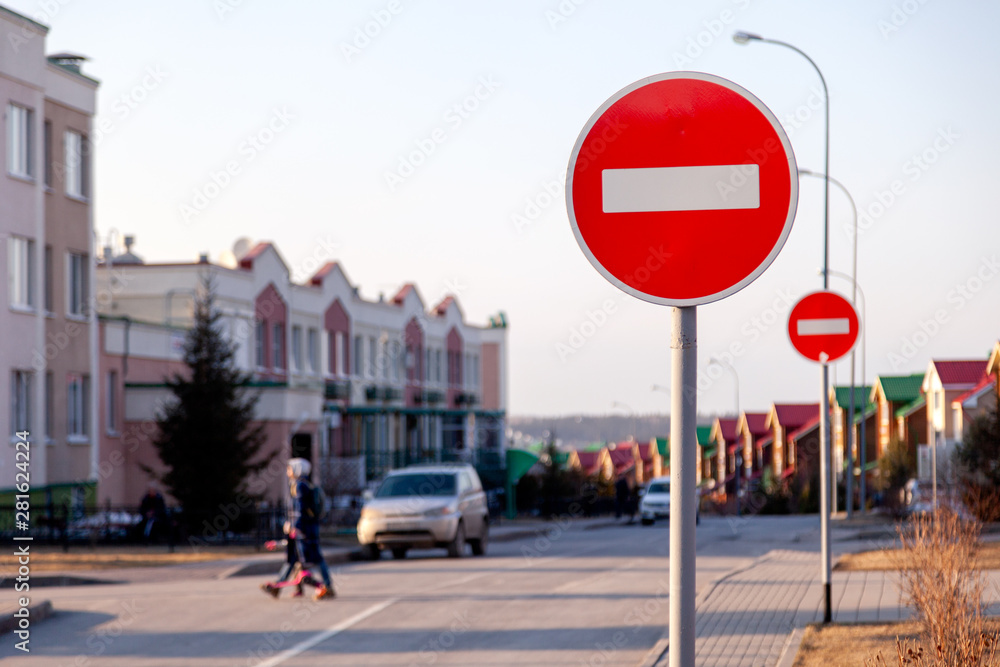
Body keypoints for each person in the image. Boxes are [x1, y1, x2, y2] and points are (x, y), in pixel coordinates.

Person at [287, 458, 335, 600]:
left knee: (315, 558)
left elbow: (300, 509)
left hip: (306, 528)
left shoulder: (300, 486)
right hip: (308, 526)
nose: (287, 472)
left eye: (289, 469)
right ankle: (302, 587)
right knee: (302, 559)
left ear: (297, 469)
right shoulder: (302, 484)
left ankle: (326, 586)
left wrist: (296, 526)